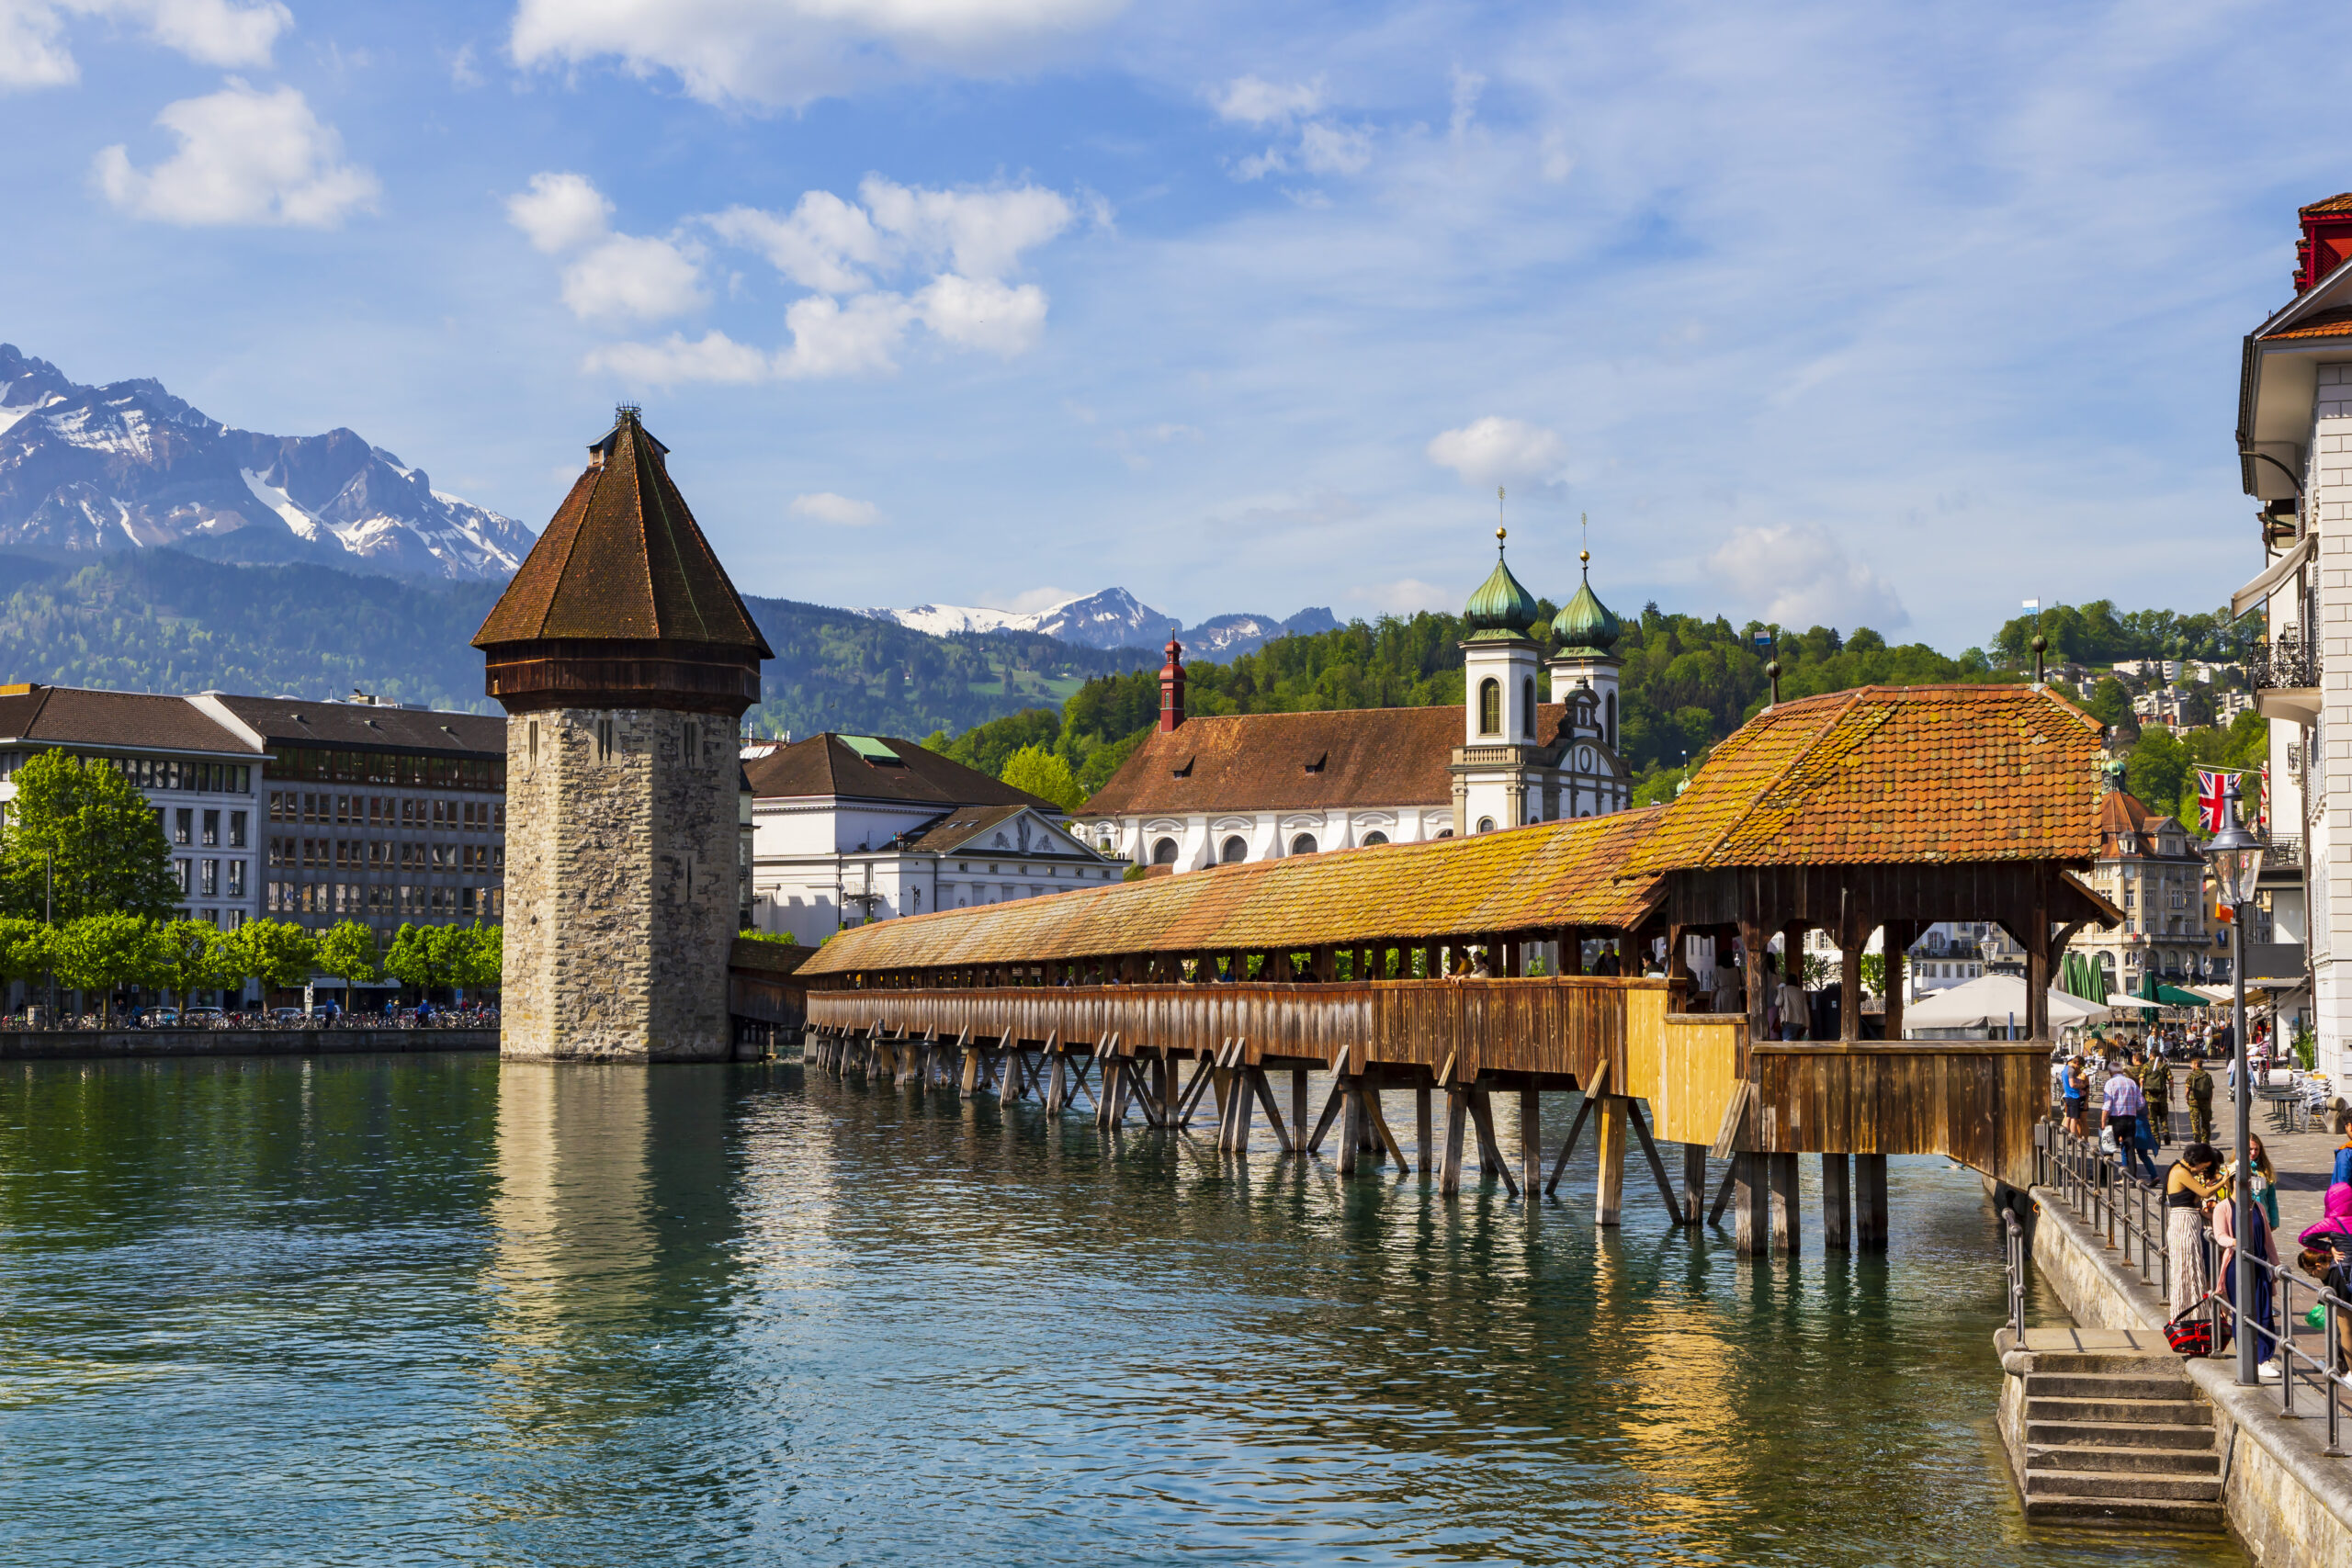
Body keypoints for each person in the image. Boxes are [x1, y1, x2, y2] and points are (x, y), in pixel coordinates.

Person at [2214, 1169, 2284, 1380]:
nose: (2245, 1183)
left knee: (2264, 1312)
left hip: (2259, 1265)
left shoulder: (2258, 1207)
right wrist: (2235, 1242)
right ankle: (2247, 1356)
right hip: (2237, 1264)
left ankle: (2263, 1357)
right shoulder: (2223, 1207)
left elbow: (2267, 1240)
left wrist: (2276, 1265)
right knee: (2242, 1312)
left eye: (2248, 1180)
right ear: (2231, 1182)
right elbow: (2220, 1235)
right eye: (2240, 1180)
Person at [2166, 1144, 2226, 1340]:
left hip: (2187, 1221)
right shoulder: (2180, 1171)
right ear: (2197, 1160)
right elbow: (2205, 1193)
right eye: (2203, 1166)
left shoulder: (2180, 1169)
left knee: (2192, 1267)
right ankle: (2186, 1316)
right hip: (2183, 1222)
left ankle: (2193, 1315)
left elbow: (2198, 1191)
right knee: (2187, 1268)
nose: (2202, 1170)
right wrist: (2225, 1180)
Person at [2105, 1060, 2158, 1183]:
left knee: (2125, 1150)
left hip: (2133, 1125)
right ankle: (2154, 1175)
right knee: (2143, 1154)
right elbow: (2144, 1108)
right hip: (2142, 1126)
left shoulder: (2125, 1095)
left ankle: (2126, 1177)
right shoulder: (2138, 1094)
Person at [2142, 1050, 2173, 1149]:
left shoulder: (2146, 1066)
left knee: (2152, 1120)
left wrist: (2141, 1095)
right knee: (2164, 1116)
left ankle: (2156, 1141)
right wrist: (2171, 1094)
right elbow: (2171, 1080)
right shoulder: (2164, 1066)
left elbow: (2141, 1081)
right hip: (2162, 1097)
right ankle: (2166, 1131)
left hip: (2150, 1098)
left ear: (2150, 1055)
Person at [2186, 1057, 2215, 1145]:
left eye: (2192, 1064)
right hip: (2205, 1101)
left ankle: (2197, 1138)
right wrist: (2210, 1101)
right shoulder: (2207, 1075)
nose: (2191, 1066)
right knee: (2206, 1122)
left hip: (2194, 1101)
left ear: (2196, 1065)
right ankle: (2206, 1141)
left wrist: (2187, 1098)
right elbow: (2211, 1090)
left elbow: (2187, 1089)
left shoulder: (2191, 1075)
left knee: (2195, 1120)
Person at [1776, 963, 1808, 1042]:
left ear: (1787, 981)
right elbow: (1806, 1010)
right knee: (1797, 1045)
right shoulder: (1801, 992)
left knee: (1787, 1045)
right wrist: (1807, 1025)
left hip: (1788, 1021)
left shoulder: (1784, 990)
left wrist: (1779, 991)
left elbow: (1778, 1003)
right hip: (1800, 1022)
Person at [2061, 1056, 2089, 1139]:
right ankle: (2073, 1137)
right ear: (2077, 1063)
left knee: (2068, 1117)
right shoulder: (2072, 1070)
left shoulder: (2066, 1068)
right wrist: (2081, 1085)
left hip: (2067, 1095)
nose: (2079, 1068)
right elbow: (2072, 1084)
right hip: (2074, 1096)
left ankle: (2066, 1136)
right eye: (2079, 1066)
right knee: (2074, 1119)